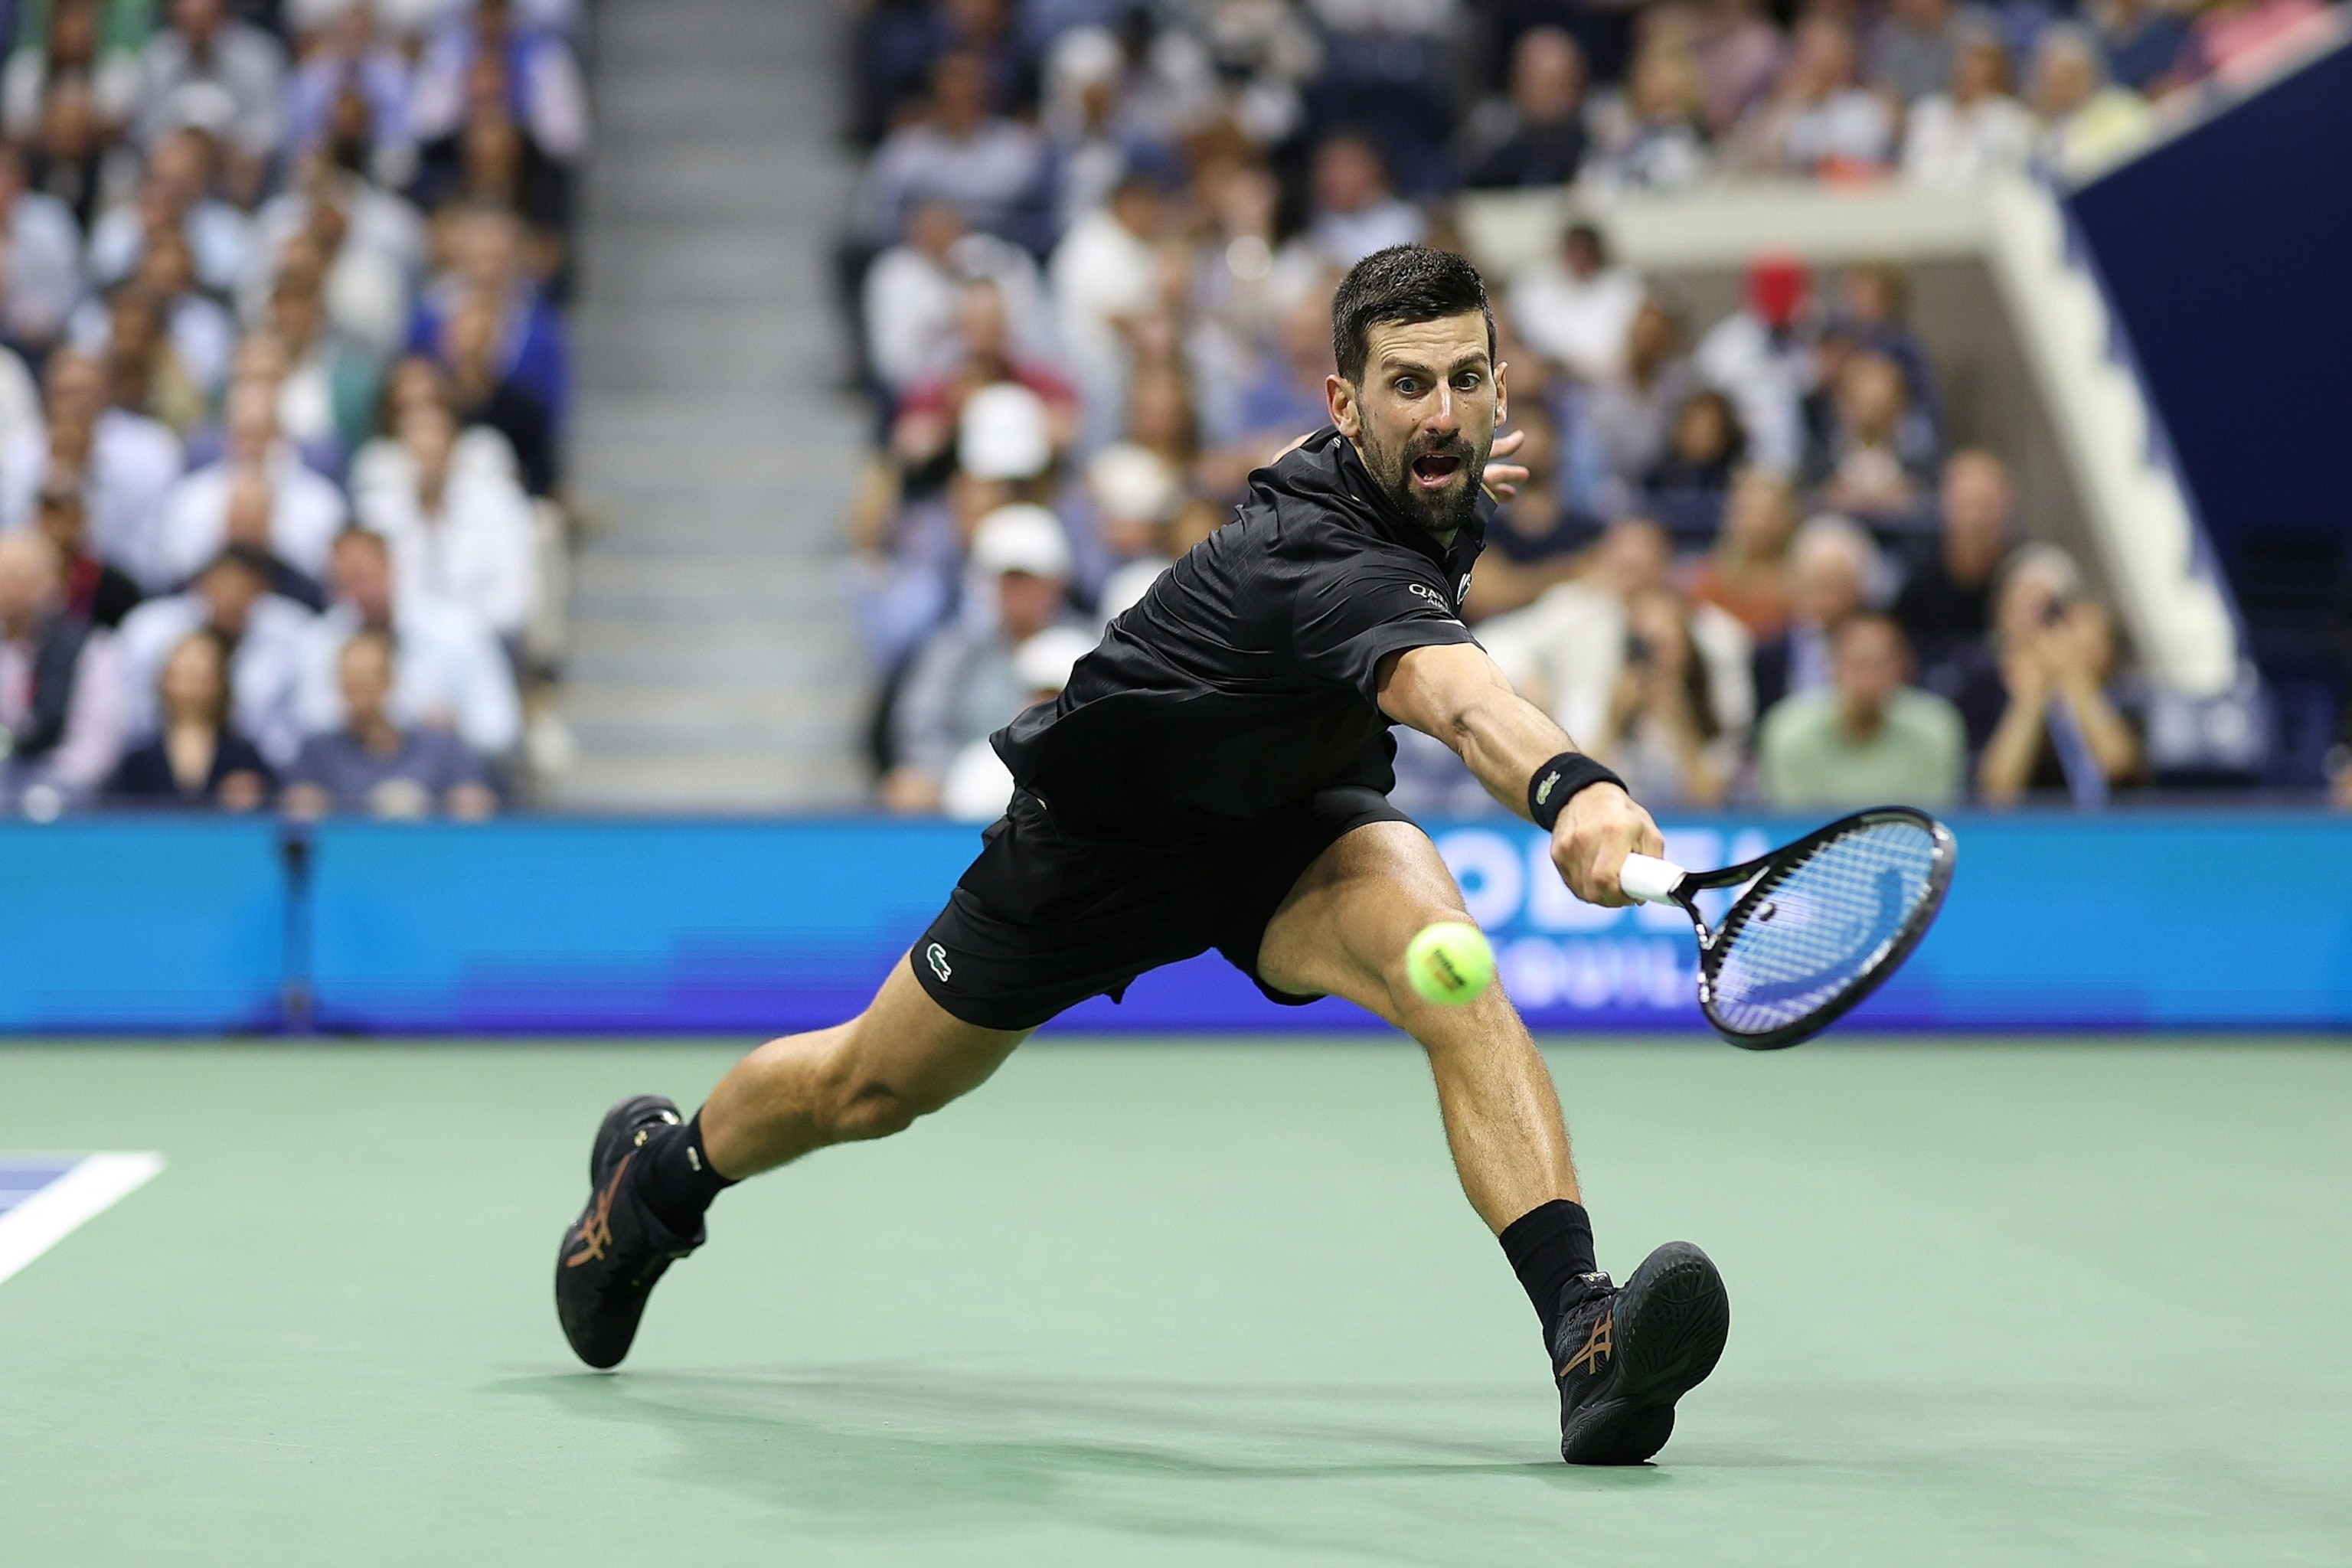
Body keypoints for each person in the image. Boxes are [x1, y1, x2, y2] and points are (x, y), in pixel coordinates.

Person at [553, 246, 1731, 1468]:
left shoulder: (1431, 476)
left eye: (1465, 380)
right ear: (1343, 403)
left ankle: (1583, 1339)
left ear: (1500, 391)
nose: (1440, 413)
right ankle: (656, 1190)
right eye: (1406, 386)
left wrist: (1447, 462)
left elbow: (1431, 508)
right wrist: (1575, 788)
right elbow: (1464, 698)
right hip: (1099, 848)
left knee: (1458, 976)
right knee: (868, 1088)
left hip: (1288, 826)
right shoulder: (1321, 559)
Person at [1971, 547, 2145, 805]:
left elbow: (2119, 767)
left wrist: (2074, 678)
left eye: (2094, 640)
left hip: (2115, 835)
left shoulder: (2128, 700)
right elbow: (1998, 789)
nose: (2076, 648)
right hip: (2037, 835)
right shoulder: (2000, 694)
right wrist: (2033, 695)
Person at [282, 628, 497, 820]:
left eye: (368, 680)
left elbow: (474, 803)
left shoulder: (439, 748)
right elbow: (297, 809)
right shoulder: (318, 754)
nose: (361, 694)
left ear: (389, 680)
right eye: (352, 683)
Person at [1759, 611, 1965, 808]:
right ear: (1833, 667)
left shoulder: (1937, 730)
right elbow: (1790, 826)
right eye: (1858, 664)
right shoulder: (1788, 732)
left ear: (1903, 668)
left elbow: (1935, 819)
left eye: (1881, 665)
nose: (1868, 680)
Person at [0, 527, 126, 805]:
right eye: (5, 576)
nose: (13, 590)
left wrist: (47, 788)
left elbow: (95, 745)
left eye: (25, 578)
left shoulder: (91, 646)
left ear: (53, 584)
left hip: (59, 794)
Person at [103, 627, 272, 808]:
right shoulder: (138, 764)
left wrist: (252, 798)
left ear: (221, 682)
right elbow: (113, 817)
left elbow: (276, 807)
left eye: (200, 677)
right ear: (163, 681)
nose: (190, 688)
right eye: (182, 675)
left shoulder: (244, 759)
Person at [1508, 220, 1643, 387]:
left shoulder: (1624, 286)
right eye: (1575, 249)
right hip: (1550, 379)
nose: (1580, 256)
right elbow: (1525, 339)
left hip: (1613, 380)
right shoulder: (1533, 285)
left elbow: (1630, 345)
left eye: (1587, 250)